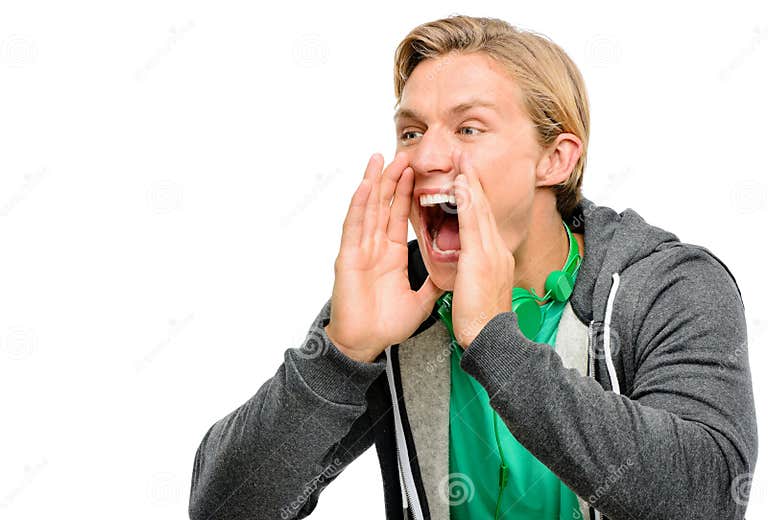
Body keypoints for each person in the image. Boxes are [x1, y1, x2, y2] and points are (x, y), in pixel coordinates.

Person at [188, 15, 757, 520]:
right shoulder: (399, 298)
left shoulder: (670, 286)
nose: (427, 157)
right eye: (411, 132)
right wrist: (341, 356)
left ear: (556, 158)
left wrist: (492, 340)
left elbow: (705, 498)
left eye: (468, 128)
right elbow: (222, 511)